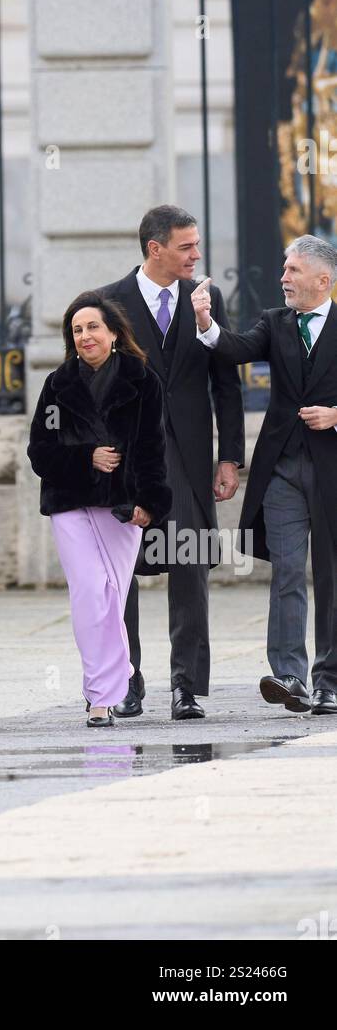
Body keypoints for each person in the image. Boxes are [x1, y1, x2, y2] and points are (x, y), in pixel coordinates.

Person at [100, 206, 244, 720]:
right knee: (122, 573)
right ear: (154, 248)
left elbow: (226, 383)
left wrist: (229, 456)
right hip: (127, 458)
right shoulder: (109, 303)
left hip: (187, 456)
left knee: (189, 565)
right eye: (186, 246)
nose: (197, 255)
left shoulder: (207, 298)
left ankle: (187, 687)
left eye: (197, 244)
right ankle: (126, 683)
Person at [192, 234, 337, 716]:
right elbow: (233, 349)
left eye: (292, 270)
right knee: (288, 571)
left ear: (323, 279)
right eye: (283, 268)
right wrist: (207, 323)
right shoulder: (275, 323)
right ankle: (290, 676)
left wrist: (336, 414)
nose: (283, 278)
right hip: (281, 470)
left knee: (331, 574)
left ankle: (329, 680)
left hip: (332, 468)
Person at [27, 293, 172, 728]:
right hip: (69, 502)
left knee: (112, 595)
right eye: (76, 330)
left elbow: (152, 449)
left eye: (92, 327)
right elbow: (40, 450)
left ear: (113, 332)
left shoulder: (142, 380)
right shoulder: (57, 385)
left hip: (122, 506)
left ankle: (116, 676)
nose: (85, 335)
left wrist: (150, 504)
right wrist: (86, 457)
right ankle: (101, 696)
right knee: (89, 592)